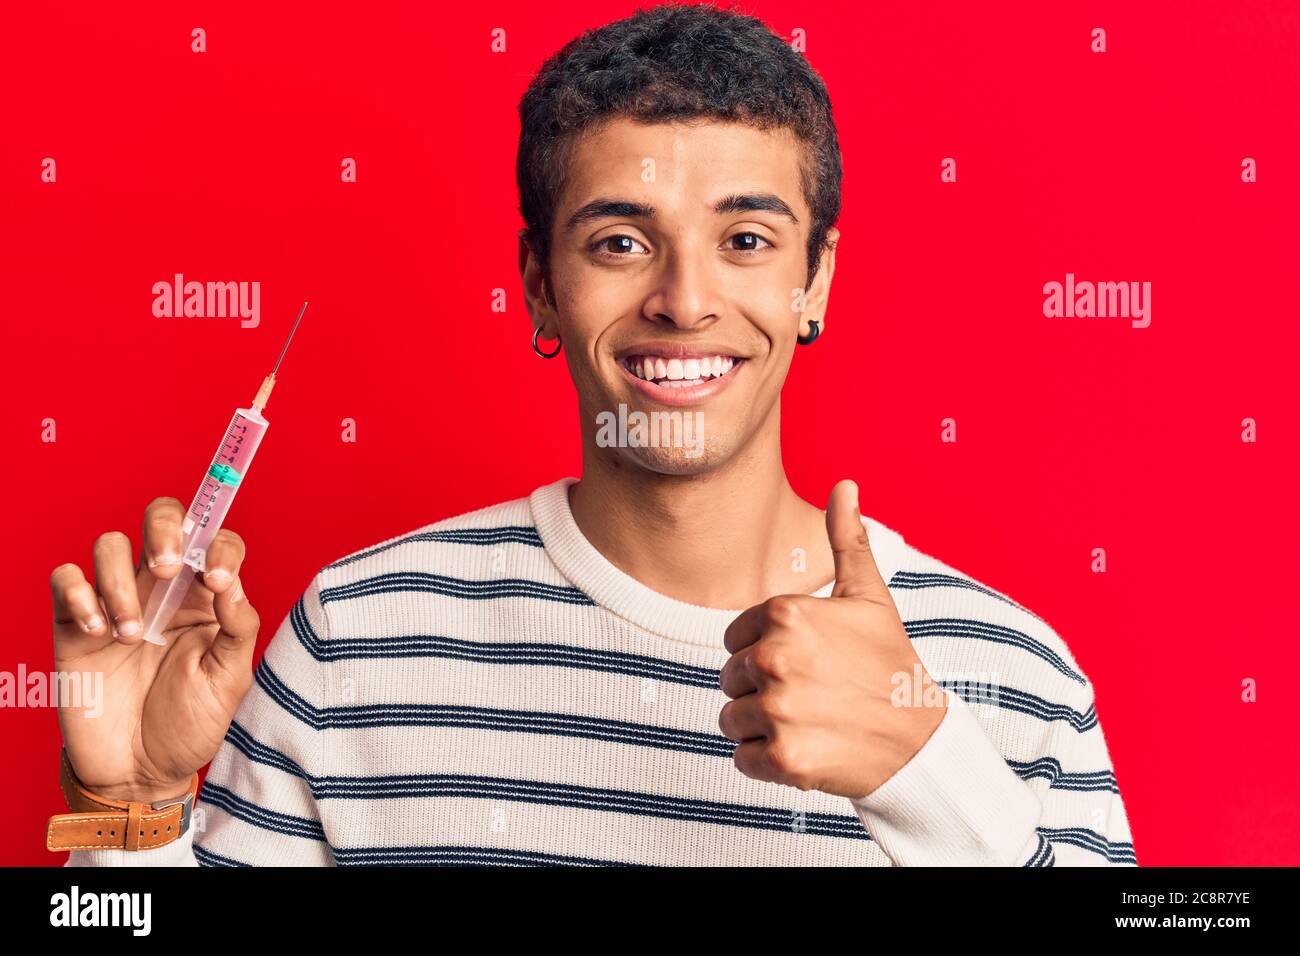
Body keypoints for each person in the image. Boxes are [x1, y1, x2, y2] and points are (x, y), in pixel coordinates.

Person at [49, 2, 1135, 866]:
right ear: (538, 287)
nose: (685, 300)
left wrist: (925, 770)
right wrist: (129, 810)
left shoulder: (1004, 675)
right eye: (621, 241)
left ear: (817, 280)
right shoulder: (355, 637)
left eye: (747, 237)